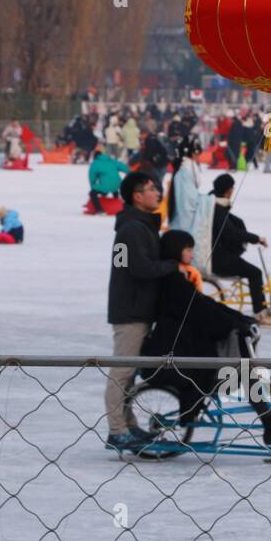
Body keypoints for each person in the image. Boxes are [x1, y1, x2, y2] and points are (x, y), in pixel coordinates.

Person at [146, 230, 271, 447]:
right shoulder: (172, 280)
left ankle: (269, 424)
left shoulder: (178, 275)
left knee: (244, 369)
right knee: (243, 369)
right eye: (188, 249)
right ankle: (269, 425)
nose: (192, 253)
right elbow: (199, 310)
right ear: (176, 250)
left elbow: (204, 304)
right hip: (182, 348)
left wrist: (239, 318)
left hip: (192, 343)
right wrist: (235, 324)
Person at [105, 171, 177, 452]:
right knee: (122, 372)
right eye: (152, 188)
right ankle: (116, 430)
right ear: (137, 196)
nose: (158, 192)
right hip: (131, 312)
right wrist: (172, 264)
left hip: (135, 307)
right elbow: (139, 270)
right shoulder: (132, 229)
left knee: (129, 372)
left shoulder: (136, 227)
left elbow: (123, 268)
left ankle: (129, 425)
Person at [209, 173, 271, 323]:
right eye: (232, 187)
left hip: (218, 253)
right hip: (219, 258)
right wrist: (255, 238)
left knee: (250, 270)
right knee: (255, 273)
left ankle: (260, 310)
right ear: (228, 190)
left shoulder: (214, 204)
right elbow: (231, 233)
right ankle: (260, 313)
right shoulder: (218, 209)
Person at [88, 147, 130, 214]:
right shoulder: (111, 160)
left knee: (92, 193)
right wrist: (128, 175)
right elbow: (125, 168)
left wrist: (93, 186)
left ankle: (99, 210)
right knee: (113, 190)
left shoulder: (95, 163)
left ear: (94, 157)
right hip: (117, 184)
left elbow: (92, 177)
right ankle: (118, 206)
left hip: (105, 185)